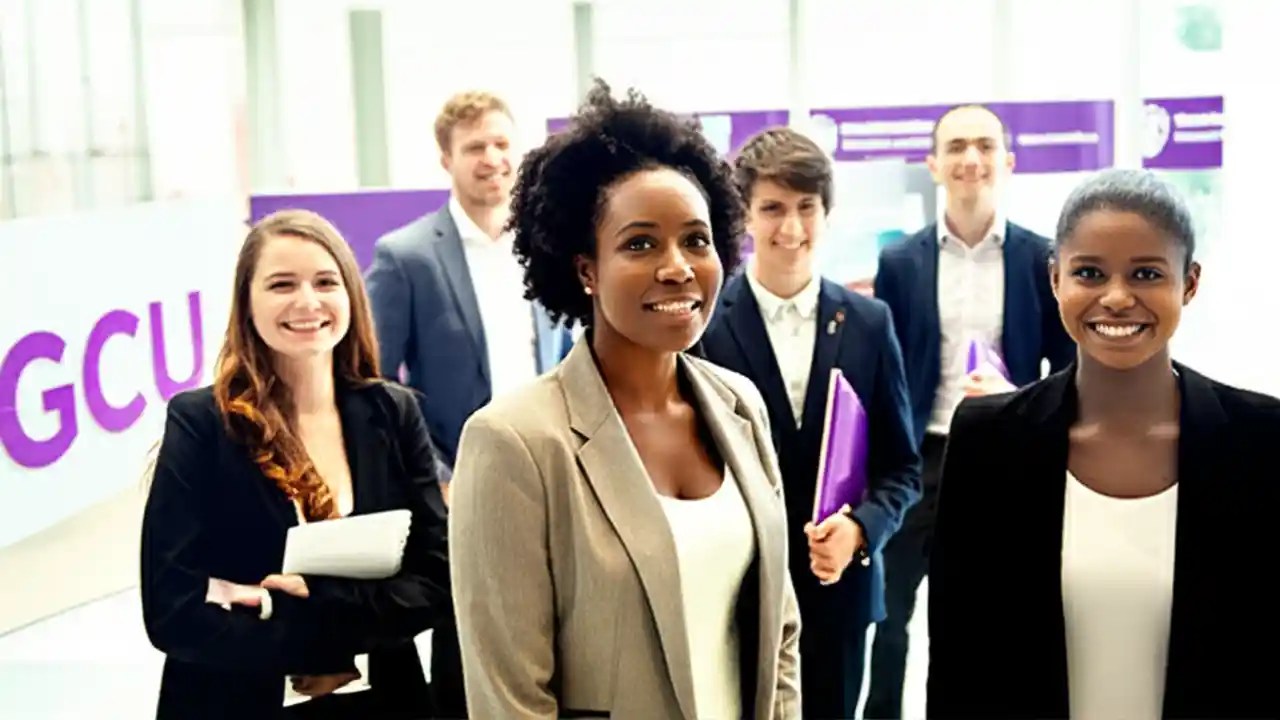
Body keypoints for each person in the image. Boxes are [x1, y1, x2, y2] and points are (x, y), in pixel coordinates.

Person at [448, 81, 802, 719]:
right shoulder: (515, 442)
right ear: (585, 269)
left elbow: (779, 635)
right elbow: (510, 698)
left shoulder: (739, 406)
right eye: (640, 243)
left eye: (697, 240)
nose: (678, 266)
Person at [927, 169, 1277, 718]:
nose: (1116, 298)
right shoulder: (988, 441)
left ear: (1189, 283)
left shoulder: (1262, 441)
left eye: (1146, 273)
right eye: (1089, 273)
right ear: (1055, 280)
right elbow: (958, 663)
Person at [140, 210, 453, 719]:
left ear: (350, 293)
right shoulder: (200, 423)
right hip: (237, 702)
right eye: (282, 284)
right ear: (247, 303)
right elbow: (173, 608)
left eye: (325, 282)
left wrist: (328, 616)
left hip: (382, 699)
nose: (307, 302)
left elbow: (437, 578)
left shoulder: (393, 412)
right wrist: (319, 652)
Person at [699, 127, 921, 718]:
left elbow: (901, 468)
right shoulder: (704, 330)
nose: (790, 229)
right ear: (745, 215)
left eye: (806, 208)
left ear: (827, 214)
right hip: (735, 593)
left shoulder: (870, 323)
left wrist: (862, 532)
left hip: (838, 592)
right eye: (772, 209)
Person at [866, 103, 1075, 718]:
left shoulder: (1043, 258)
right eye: (956, 147)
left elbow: (1066, 370)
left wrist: (1013, 400)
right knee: (893, 613)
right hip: (919, 459)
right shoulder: (899, 262)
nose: (970, 159)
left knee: (990, 612)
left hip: (1005, 456)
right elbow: (889, 374)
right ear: (934, 164)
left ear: (1007, 162)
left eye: (984, 145)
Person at [364, 90, 572, 474]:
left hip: (550, 466)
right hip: (458, 476)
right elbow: (377, 384)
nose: (492, 159)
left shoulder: (548, 248)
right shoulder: (407, 257)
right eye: (475, 147)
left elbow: (567, 360)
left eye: (502, 144)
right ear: (447, 160)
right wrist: (434, 474)